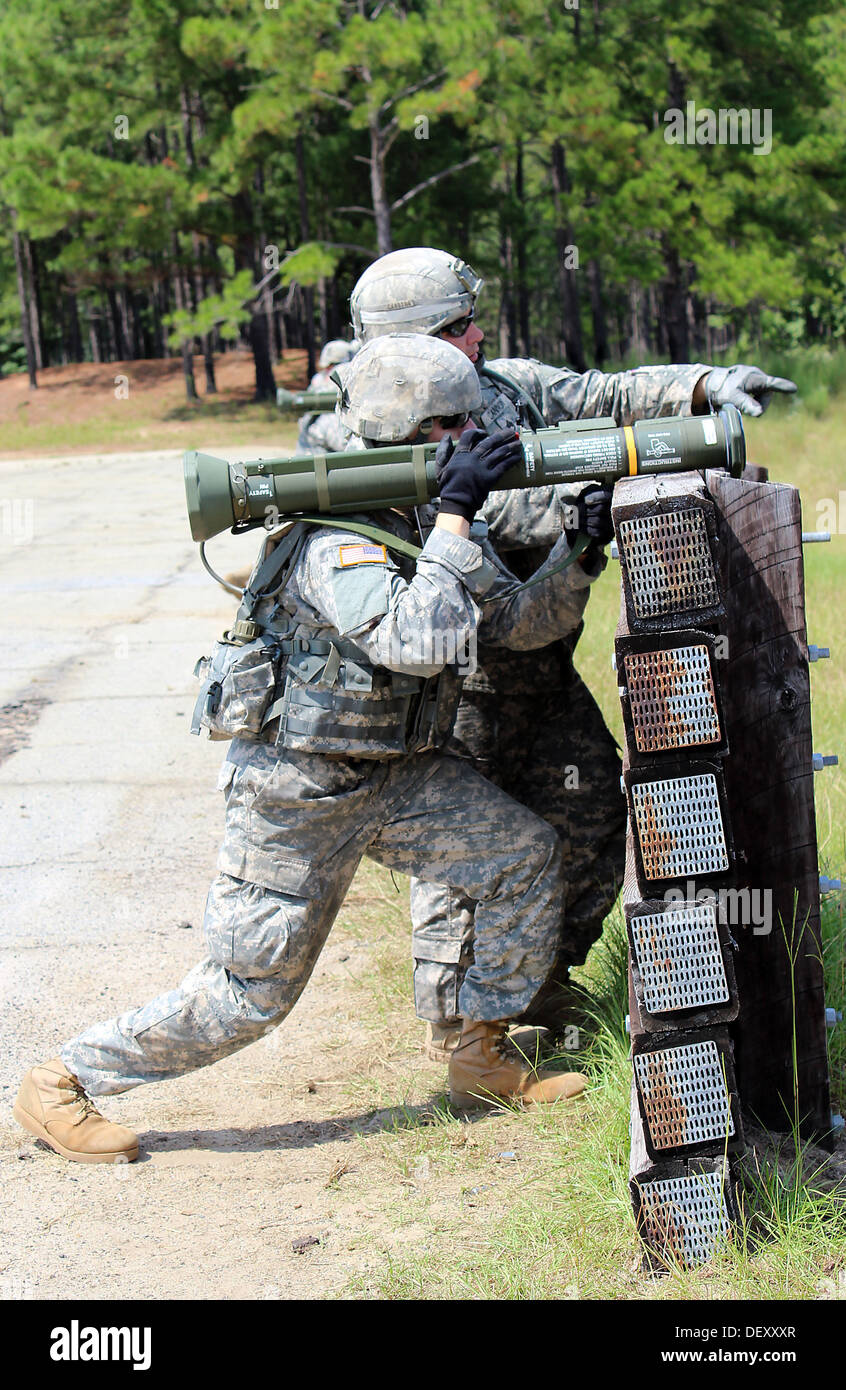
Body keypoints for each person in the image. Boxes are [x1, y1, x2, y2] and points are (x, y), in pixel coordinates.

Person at [13, 334, 608, 1165]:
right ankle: (61, 1081)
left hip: (397, 775)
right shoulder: (341, 536)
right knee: (251, 996)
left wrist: (578, 553)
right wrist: (457, 516)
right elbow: (419, 637)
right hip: (300, 792)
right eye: (455, 428)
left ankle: (481, 1055)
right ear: (410, 430)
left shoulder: (415, 520)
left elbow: (515, 625)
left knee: (523, 855)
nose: (473, 440)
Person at [348, 247, 798, 1058]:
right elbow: (475, 557)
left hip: (541, 659)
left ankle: (538, 976)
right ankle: (460, 1030)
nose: (478, 335)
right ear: (406, 344)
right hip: (458, 681)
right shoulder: (382, 442)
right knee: (463, 860)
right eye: (456, 326)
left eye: (470, 320)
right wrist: (569, 514)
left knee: (590, 814)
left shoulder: (507, 389)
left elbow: (605, 393)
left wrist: (706, 384)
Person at [296, 339, 358, 455]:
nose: (329, 371)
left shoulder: (319, 381)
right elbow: (344, 444)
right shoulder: (321, 382)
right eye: (328, 367)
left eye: (332, 366)